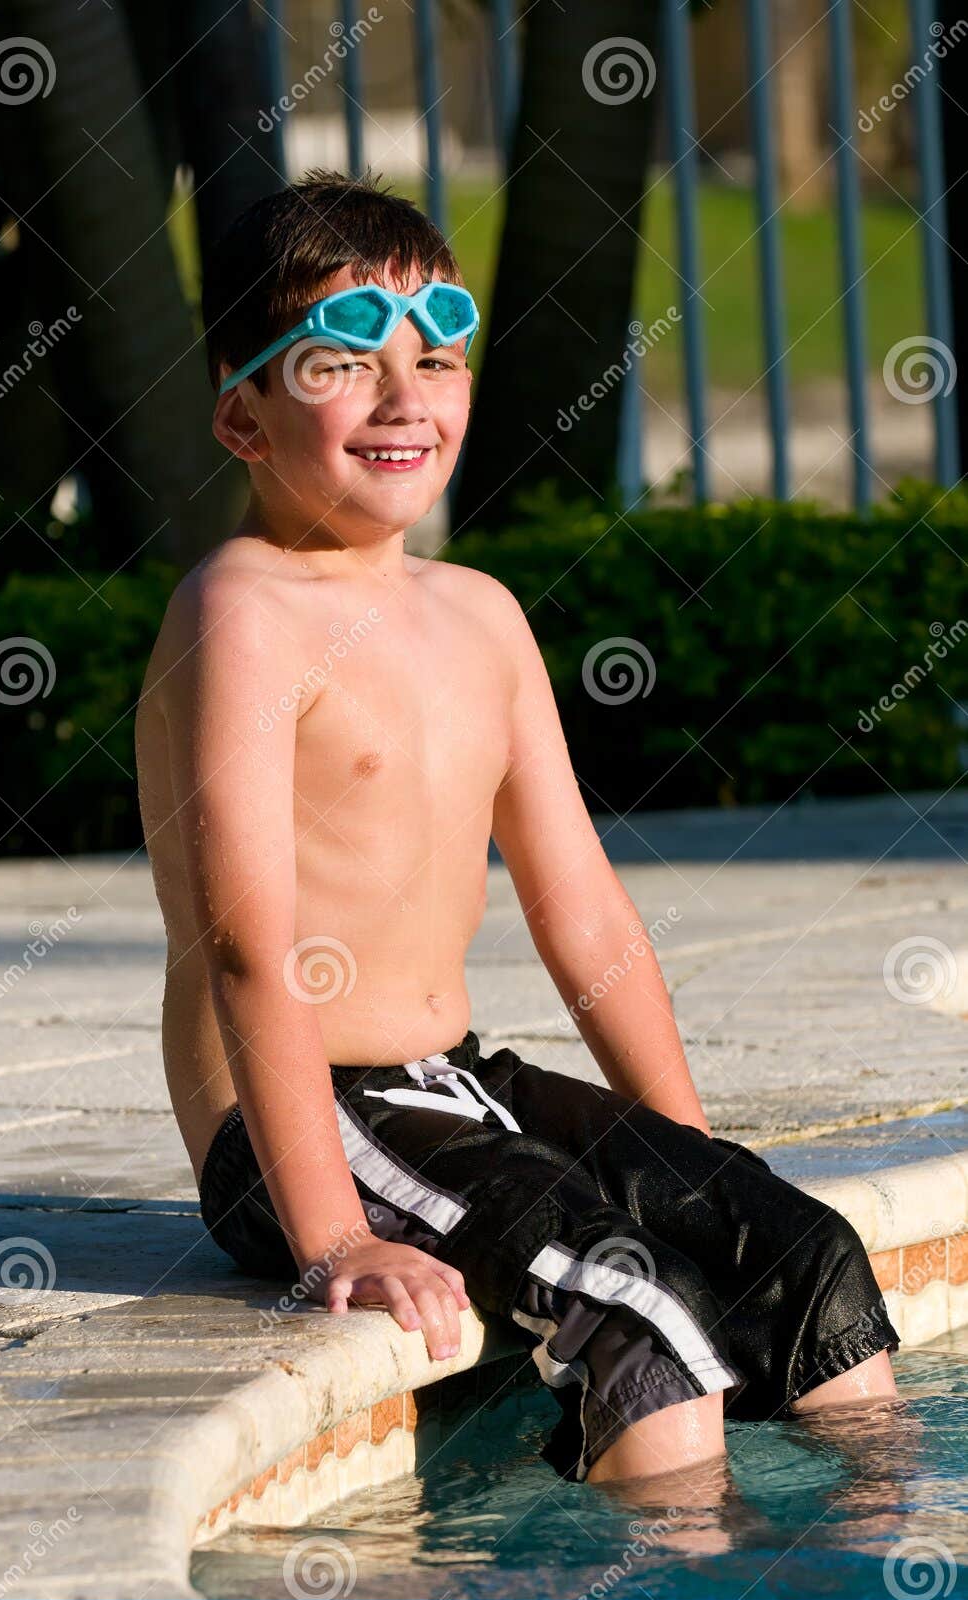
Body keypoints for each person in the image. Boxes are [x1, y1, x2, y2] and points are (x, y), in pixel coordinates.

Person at [135, 169, 898, 1486]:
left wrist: (691, 1159)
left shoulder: (482, 614)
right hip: (312, 1117)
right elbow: (248, 949)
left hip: (457, 1080)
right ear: (242, 416)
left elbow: (581, 908)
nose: (402, 397)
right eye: (338, 362)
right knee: (637, 1309)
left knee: (801, 1249)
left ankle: (881, 1570)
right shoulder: (243, 612)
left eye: (435, 359)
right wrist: (335, 1242)